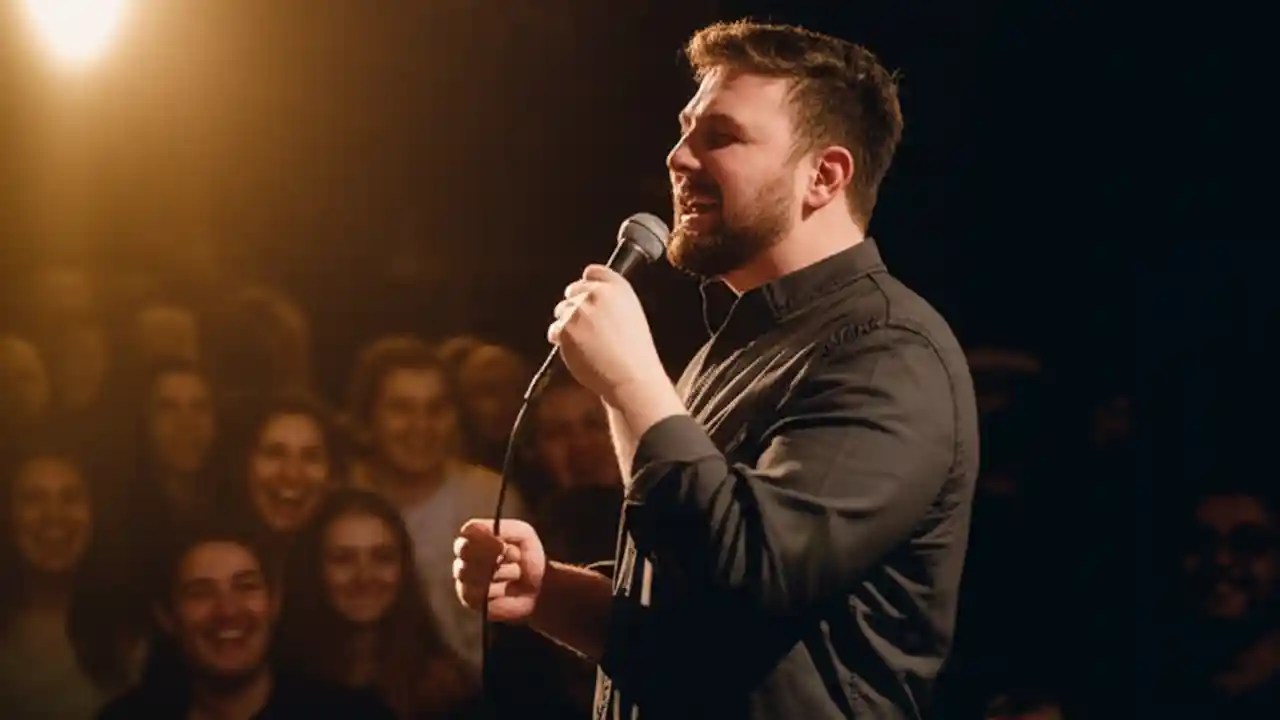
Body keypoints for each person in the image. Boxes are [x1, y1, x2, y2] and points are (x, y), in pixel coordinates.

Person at [452, 20, 978, 718]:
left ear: (824, 175)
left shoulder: (889, 353)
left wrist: (632, 383)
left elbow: (751, 574)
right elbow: (701, 632)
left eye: (720, 136)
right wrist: (552, 593)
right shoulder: (732, 352)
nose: (677, 157)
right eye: (684, 129)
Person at [346, 334, 527, 678]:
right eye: (401, 409)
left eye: (436, 409)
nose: (421, 427)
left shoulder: (491, 499)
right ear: (367, 419)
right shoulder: (345, 498)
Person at [97, 523, 397, 719]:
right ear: (167, 618)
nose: (228, 611)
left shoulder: (350, 714)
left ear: (274, 602)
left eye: (246, 586)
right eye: (201, 592)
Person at [277, 488, 476, 718]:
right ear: (315, 569)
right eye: (343, 559)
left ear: (403, 568)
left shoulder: (445, 689)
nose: (364, 577)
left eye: (382, 558)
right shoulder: (279, 680)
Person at [0, 442, 104, 718]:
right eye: (33, 499)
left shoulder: (137, 633)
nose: (53, 516)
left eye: (70, 497)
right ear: (8, 516)